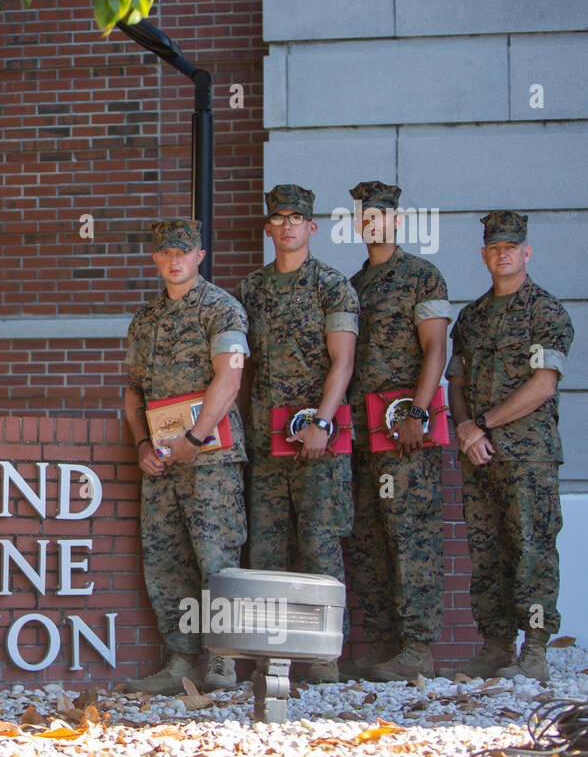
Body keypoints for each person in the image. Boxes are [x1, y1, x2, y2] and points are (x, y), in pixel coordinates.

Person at [234, 184, 358, 683]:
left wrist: (323, 422)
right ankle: (271, 655)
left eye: (297, 217)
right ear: (268, 228)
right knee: (266, 549)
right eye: (278, 217)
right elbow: (239, 370)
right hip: (266, 440)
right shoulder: (249, 290)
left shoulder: (333, 286)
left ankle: (325, 657)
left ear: (312, 227)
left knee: (320, 544)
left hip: (318, 442)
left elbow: (343, 361)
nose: (287, 225)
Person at [123, 219, 249, 694]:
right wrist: (140, 446)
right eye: (165, 252)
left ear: (201, 255)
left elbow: (230, 379)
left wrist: (193, 441)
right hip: (159, 460)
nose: (174, 260)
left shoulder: (222, 309)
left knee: (216, 558)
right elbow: (132, 391)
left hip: (210, 458)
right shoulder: (145, 319)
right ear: (155, 258)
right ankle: (179, 658)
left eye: (184, 251)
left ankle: (221, 661)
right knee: (165, 559)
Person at [448, 211, 572, 683]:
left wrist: (479, 425)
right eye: (494, 248)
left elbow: (542, 386)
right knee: (487, 551)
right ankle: (496, 645)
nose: (502, 254)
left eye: (511, 248)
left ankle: (535, 647)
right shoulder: (472, 317)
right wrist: (464, 429)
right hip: (479, 455)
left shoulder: (546, 312)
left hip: (528, 454)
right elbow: (455, 381)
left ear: (526, 253)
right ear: (484, 255)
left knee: (533, 549)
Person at [343, 181, 451, 681]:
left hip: (403, 428)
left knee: (412, 535)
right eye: (365, 216)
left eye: (381, 215)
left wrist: (420, 413)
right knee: (368, 537)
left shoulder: (421, 277)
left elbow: (435, 350)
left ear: (396, 222)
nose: (373, 223)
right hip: (361, 432)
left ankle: (417, 647)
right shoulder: (352, 284)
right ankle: (385, 641)